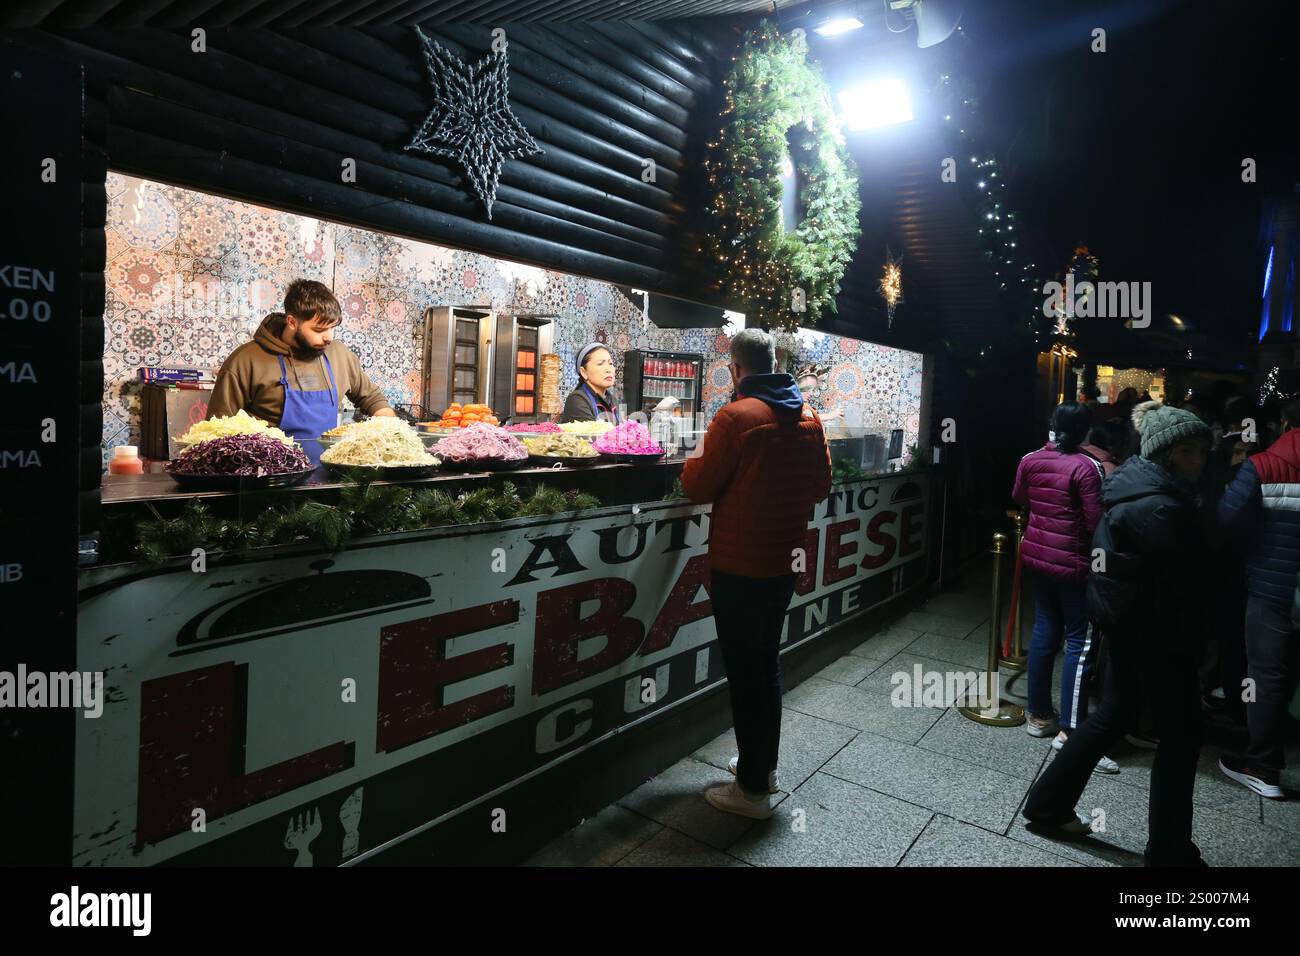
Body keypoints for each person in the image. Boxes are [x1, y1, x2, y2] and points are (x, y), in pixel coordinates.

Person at [1023, 402, 1212, 866]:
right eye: (1192, 452)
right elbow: (1191, 579)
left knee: (1111, 713)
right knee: (1180, 738)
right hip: (1159, 633)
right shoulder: (1161, 506)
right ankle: (1169, 849)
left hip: (1120, 618)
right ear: (1169, 454)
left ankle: (1048, 803)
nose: (1201, 461)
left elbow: (1025, 499)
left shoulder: (1127, 484)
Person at [682, 329, 832, 819]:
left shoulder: (735, 416)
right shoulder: (808, 416)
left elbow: (696, 485)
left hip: (739, 564)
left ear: (735, 368)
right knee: (764, 662)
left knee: (746, 670)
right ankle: (758, 765)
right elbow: (820, 485)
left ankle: (751, 793)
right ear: (774, 362)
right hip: (784, 561)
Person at [1012, 402, 1118, 772]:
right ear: (1086, 430)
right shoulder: (1086, 466)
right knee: (1080, 641)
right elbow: (1096, 521)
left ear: (1052, 425)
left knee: (1044, 629)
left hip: (1037, 557)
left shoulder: (1030, 459)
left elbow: (1020, 498)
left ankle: (1039, 715)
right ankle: (1072, 731)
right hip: (1073, 564)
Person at [1215, 397, 1300, 799]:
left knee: (1265, 673)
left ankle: (1263, 765)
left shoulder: (1263, 465)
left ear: (1284, 423)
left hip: (1272, 586)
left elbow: (1228, 520)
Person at [208, 280, 394, 441]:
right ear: (292, 322)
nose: (328, 338)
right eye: (319, 330)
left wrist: (392, 430)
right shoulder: (245, 361)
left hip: (328, 475)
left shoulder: (339, 354)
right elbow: (216, 429)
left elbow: (372, 398)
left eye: (332, 328)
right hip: (269, 476)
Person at [560, 342, 621, 423]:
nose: (609, 369)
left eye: (611, 363)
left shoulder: (612, 400)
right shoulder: (577, 400)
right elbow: (593, 435)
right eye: (600, 364)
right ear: (584, 372)